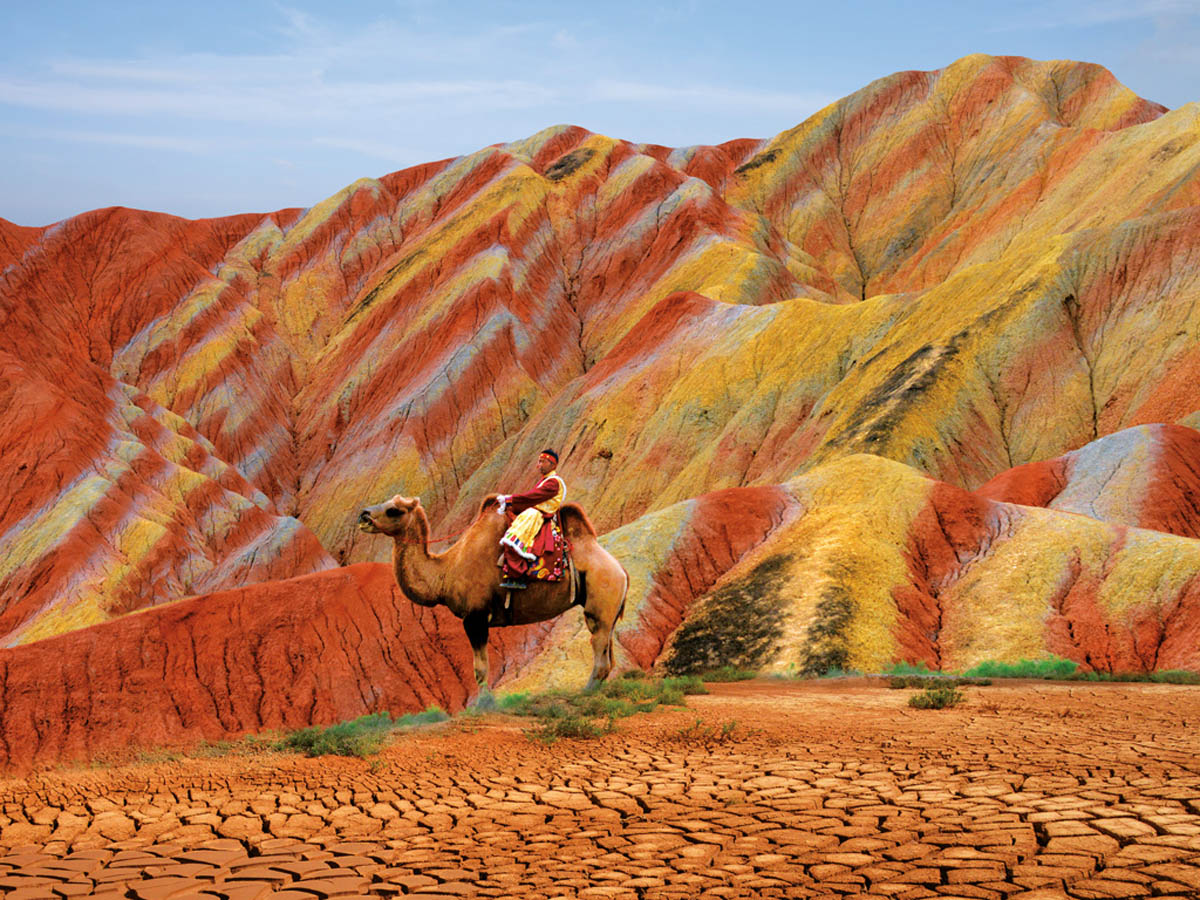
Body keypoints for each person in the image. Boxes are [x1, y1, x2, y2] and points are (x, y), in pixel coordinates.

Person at [497, 449, 566, 589]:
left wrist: (510, 500)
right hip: (533, 514)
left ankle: (517, 576)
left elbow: (533, 497)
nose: (538, 465)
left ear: (552, 464)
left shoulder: (553, 483)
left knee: (512, 539)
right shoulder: (546, 481)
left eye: (542, 462)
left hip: (536, 517)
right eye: (538, 461)